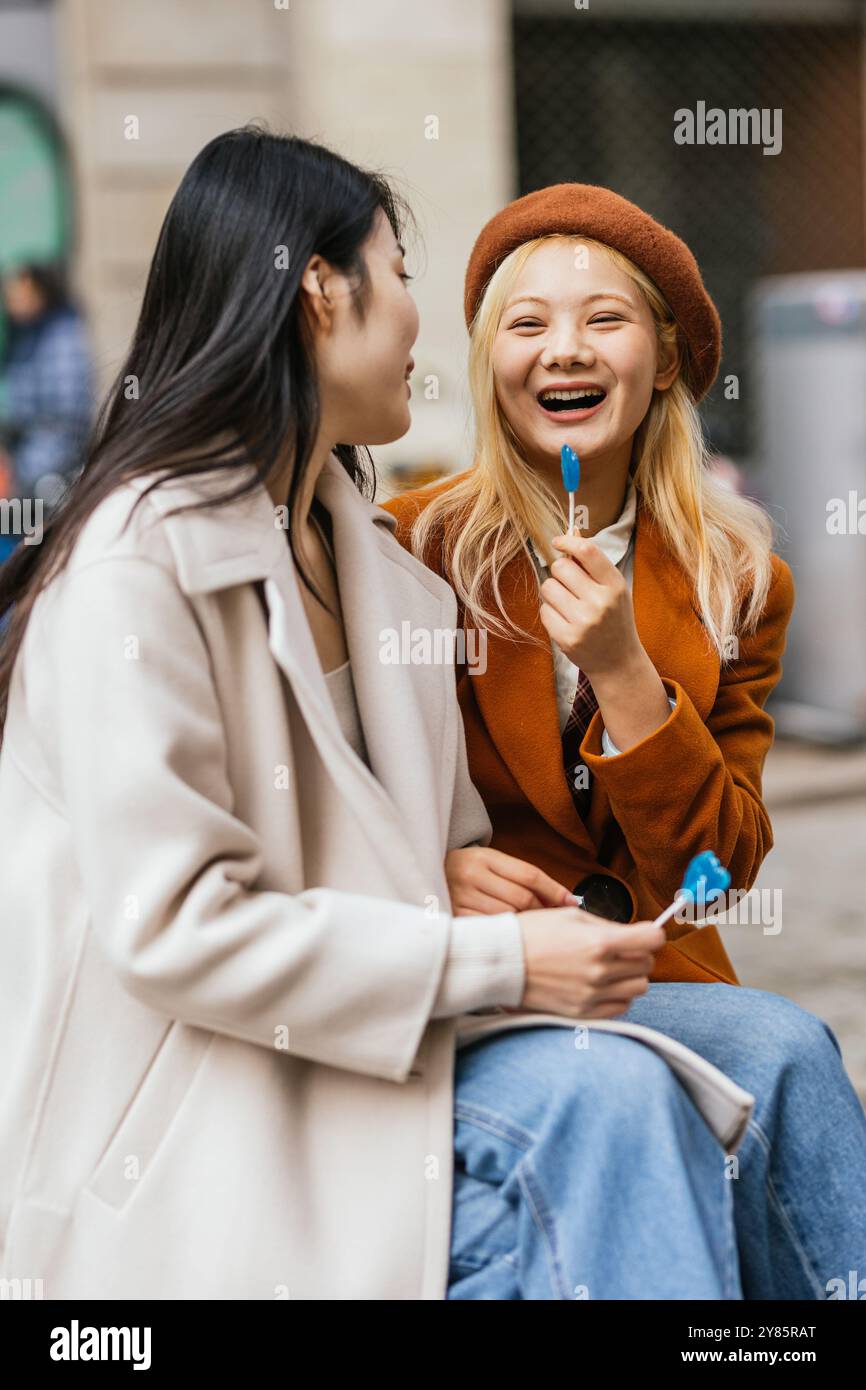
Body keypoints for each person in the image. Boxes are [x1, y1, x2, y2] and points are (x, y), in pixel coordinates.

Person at [0, 128, 745, 1301]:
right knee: (610, 1105)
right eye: (400, 274)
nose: (418, 322)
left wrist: (457, 872)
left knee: (769, 1051)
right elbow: (181, 927)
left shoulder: (382, 566)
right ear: (318, 290)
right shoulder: (133, 569)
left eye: (606, 321)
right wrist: (496, 952)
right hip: (204, 1097)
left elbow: (672, 854)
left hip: (365, 1034)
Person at [383, 182, 866, 1299]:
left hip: (653, 972)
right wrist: (431, 869)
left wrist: (621, 672)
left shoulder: (736, 577)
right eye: (527, 322)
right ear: (488, 360)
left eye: (604, 319)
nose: (565, 348)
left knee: (789, 1048)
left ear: (662, 362)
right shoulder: (412, 547)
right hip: (479, 981)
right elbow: (346, 784)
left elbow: (712, 876)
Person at [0, 261, 92, 508]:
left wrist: (28, 472)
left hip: (48, 471)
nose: (12, 299)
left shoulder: (61, 339)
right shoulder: (23, 334)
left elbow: (68, 419)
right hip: (23, 466)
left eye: (21, 291)